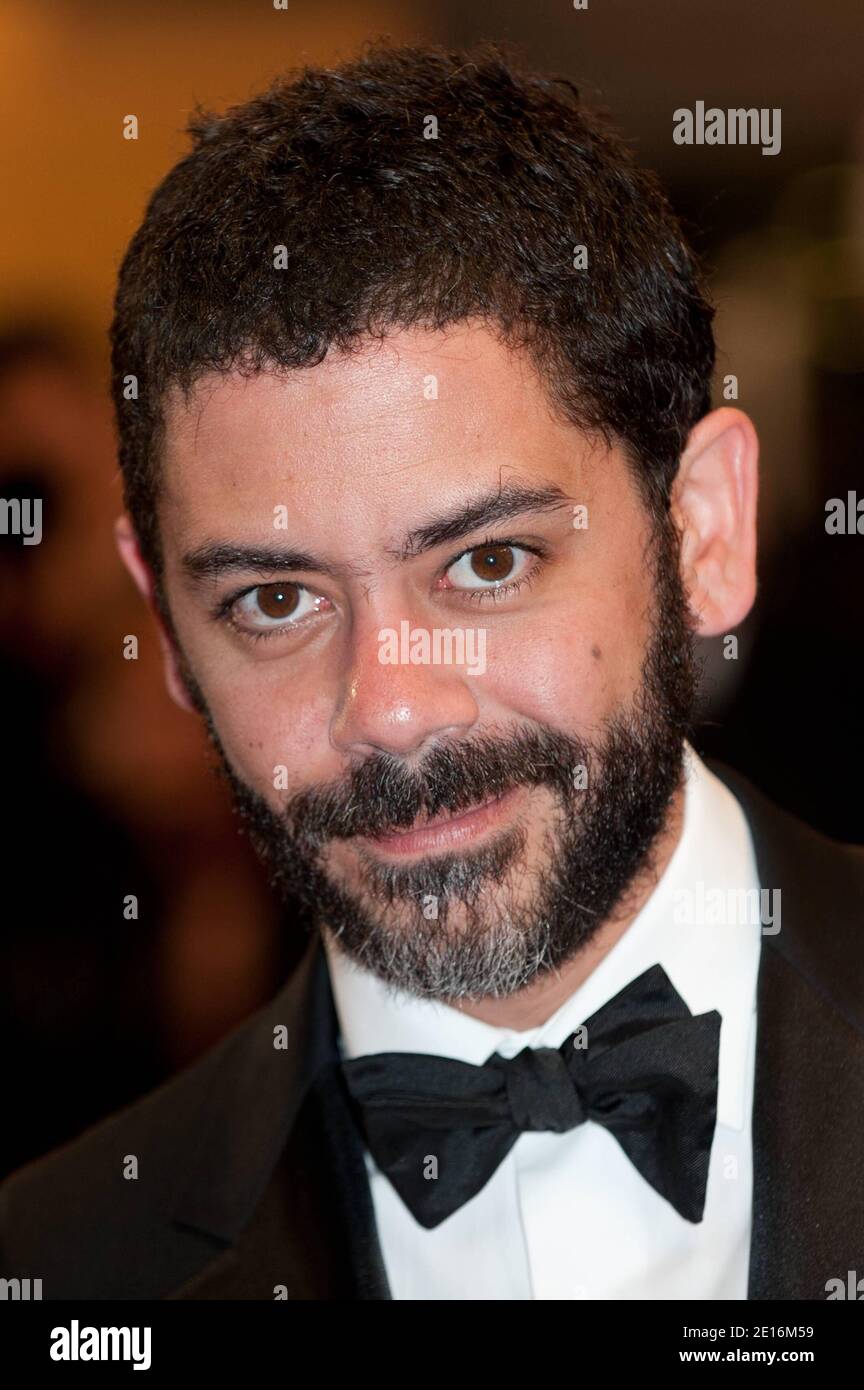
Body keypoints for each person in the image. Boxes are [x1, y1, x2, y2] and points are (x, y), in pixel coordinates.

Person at [1, 42, 862, 1302]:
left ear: (705, 533)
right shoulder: (64, 1266)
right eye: (277, 601)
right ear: (168, 630)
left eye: (489, 561)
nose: (393, 707)